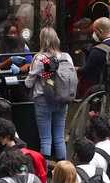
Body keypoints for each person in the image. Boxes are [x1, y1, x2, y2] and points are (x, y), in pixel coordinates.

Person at [26, 27, 74, 161]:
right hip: (62, 99)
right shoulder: (66, 57)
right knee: (59, 137)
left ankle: (44, 174)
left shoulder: (40, 59)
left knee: (46, 139)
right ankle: (63, 170)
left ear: (42, 40)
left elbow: (28, 83)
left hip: (43, 99)